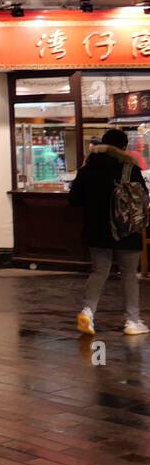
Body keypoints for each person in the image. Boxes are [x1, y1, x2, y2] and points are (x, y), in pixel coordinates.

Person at [69, 128, 150, 336]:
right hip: (126, 229)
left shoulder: (87, 168)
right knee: (129, 274)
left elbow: (75, 200)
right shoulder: (129, 167)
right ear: (124, 147)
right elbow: (142, 197)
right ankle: (132, 321)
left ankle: (88, 311)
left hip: (97, 230)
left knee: (99, 271)